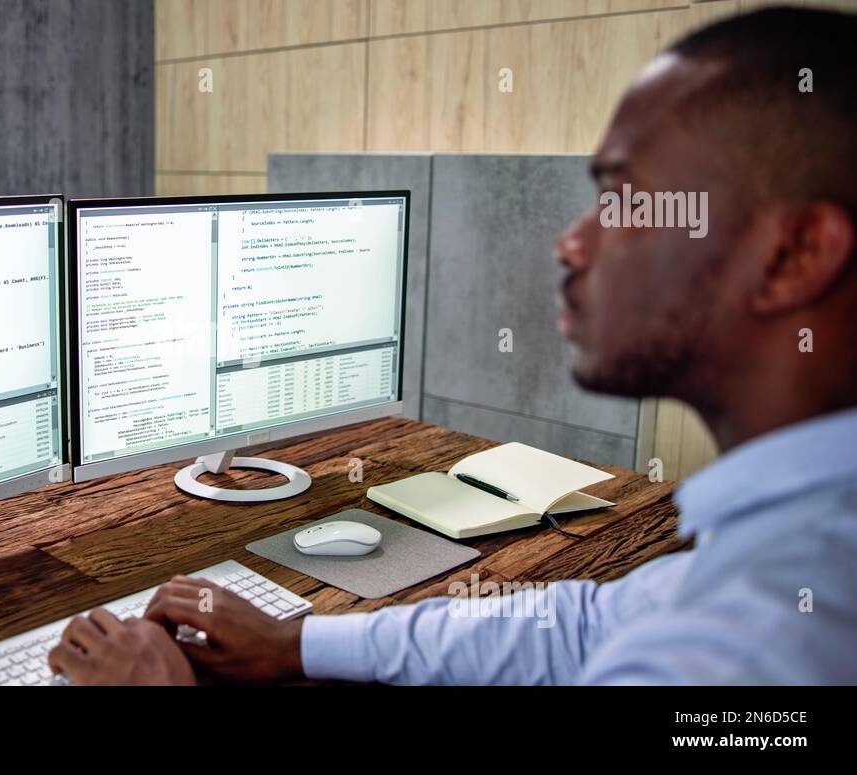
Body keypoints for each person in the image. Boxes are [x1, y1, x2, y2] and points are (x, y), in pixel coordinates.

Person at [46, 7, 857, 686]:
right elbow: (583, 623)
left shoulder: (755, 648)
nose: (572, 242)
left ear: (794, 253)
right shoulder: (781, 556)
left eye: (624, 197)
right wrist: (295, 641)